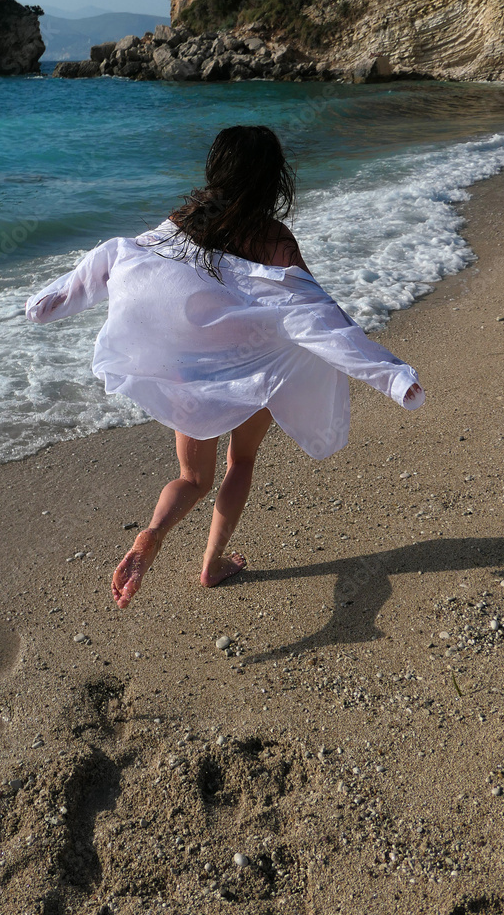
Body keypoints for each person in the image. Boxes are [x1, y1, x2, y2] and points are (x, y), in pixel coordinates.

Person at [26, 126, 425, 609]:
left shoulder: (182, 218)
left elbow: (121, 256)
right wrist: (393, 375)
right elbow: (318, 315)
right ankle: (212, 564)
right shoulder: (274, 239)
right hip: (252, 369)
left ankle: (152, 533)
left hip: (186, 373)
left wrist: (47, 302)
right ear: (273, 181)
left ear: (217, 169)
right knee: (242, 461)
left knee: (193, 479)